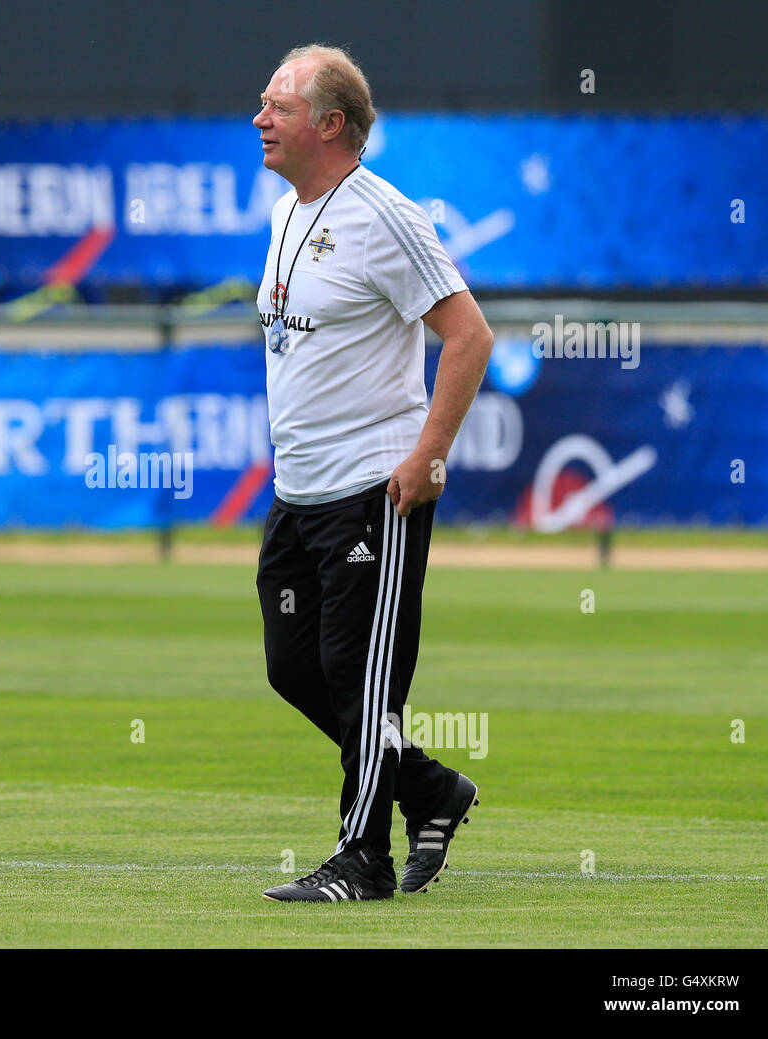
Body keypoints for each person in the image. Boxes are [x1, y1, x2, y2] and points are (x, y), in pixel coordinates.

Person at [252, 43, 494, 902]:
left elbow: (469, 336)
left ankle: (364, 858)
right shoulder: (288, 214)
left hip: (370, 492)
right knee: (294, 668)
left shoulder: (385, 215)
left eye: (277, 105)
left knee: (362, 677)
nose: (260, 118)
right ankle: (430, 789)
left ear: (330, 124)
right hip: (297, 494)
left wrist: (427, 454)